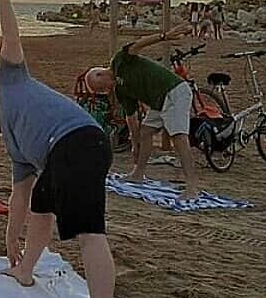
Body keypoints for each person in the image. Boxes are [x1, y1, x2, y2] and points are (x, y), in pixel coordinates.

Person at [0, 0, 116, 298]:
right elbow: (21, 198)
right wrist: (10, 238)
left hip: (77, 143)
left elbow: (11, 39)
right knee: (42, 204)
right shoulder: (16, 144)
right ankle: (24, 270)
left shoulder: (11, 84)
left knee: (90, 232)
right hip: (76, 147)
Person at [84, 23, 199, 198]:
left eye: (102, 87)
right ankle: (138, 173)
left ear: (101, 74)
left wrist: (164, 36)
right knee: (146, 132)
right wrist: (135, 144)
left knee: (179, 138)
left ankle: (192, 187)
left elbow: (138, 45)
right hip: (159, 102)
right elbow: (131, 118)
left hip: (174, 91)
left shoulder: (119, 61)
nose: (106, 91)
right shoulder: (120, 90)